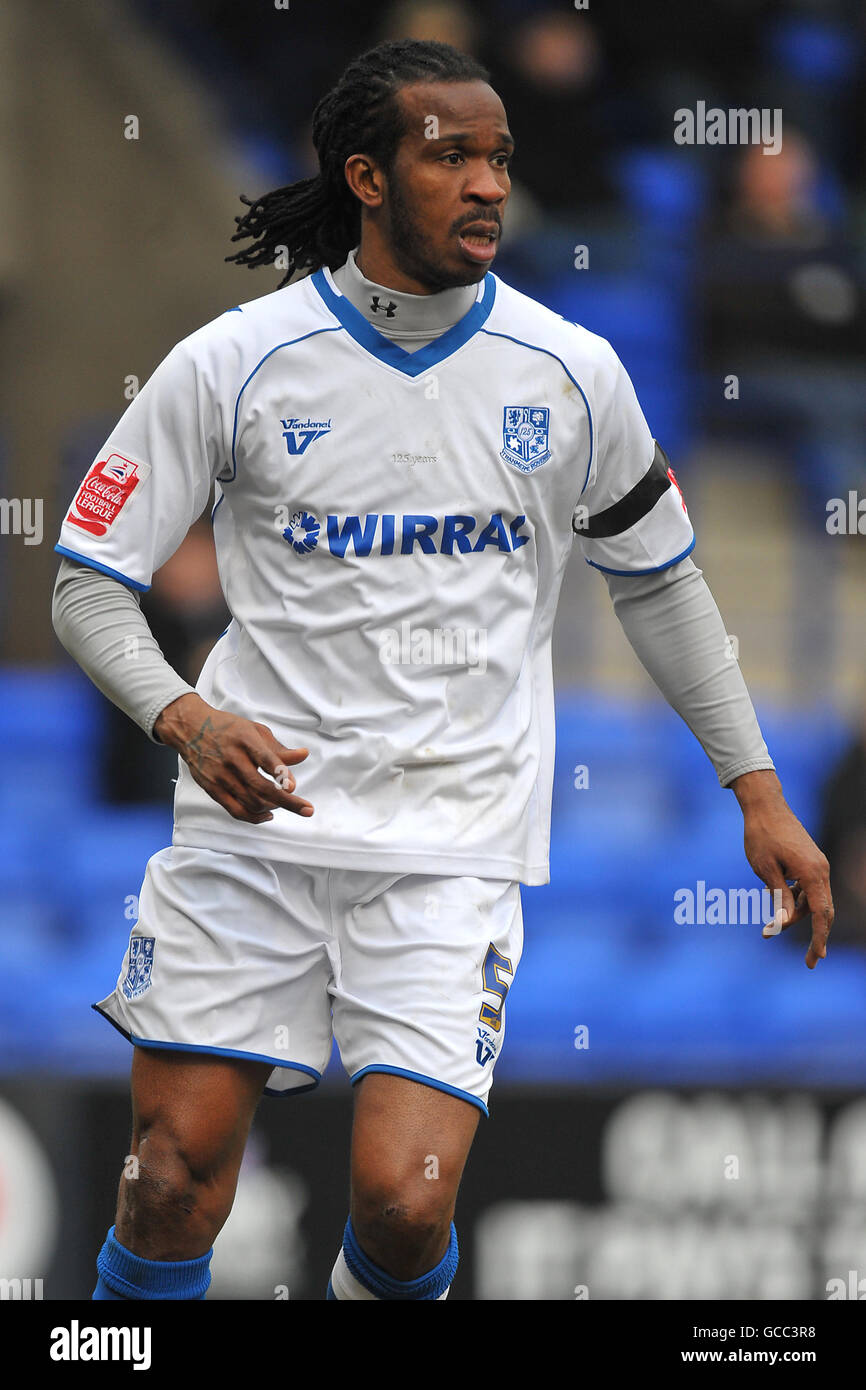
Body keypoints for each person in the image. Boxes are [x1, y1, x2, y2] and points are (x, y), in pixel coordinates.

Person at [52, 38, 833, 1303]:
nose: (486, 185)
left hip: (447, 850)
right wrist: (182, 714)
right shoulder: (233, 362)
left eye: (500, 158)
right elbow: (88, 577)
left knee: (405, 1206)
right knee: (169, 1178)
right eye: (449, 154)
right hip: (249, 846)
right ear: (365, 176)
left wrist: (753, 789)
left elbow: (661, 584)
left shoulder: (571, 374)